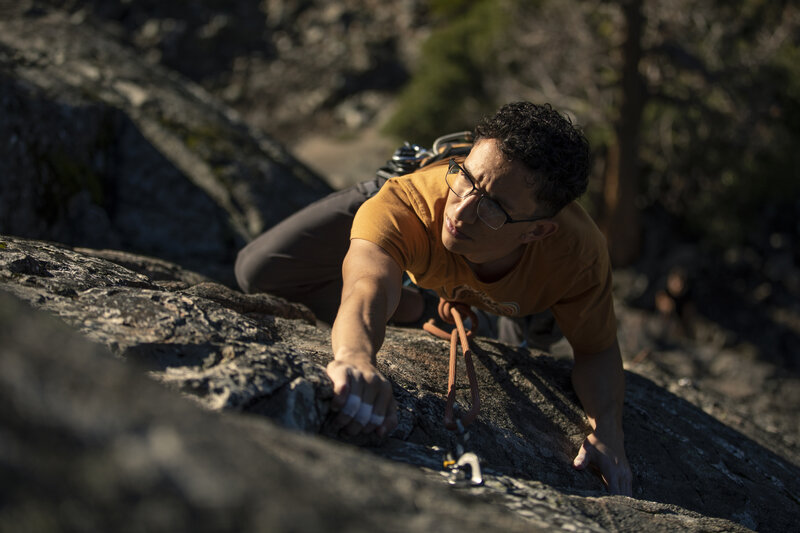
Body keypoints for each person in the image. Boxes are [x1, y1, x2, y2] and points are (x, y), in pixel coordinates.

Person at [235, 102, 632, 496]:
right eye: (466, 178)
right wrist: (354, 357)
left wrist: (607, 431)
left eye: (493, 207)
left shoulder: (576, 257)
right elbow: (366, 286)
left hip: (526, 292)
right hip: (412, 218)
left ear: (537, 231)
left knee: (526, 343)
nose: (462, 211)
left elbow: (596, 350)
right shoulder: (409, 204)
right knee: (258, 270)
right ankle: (417, 306)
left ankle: (506, 320)